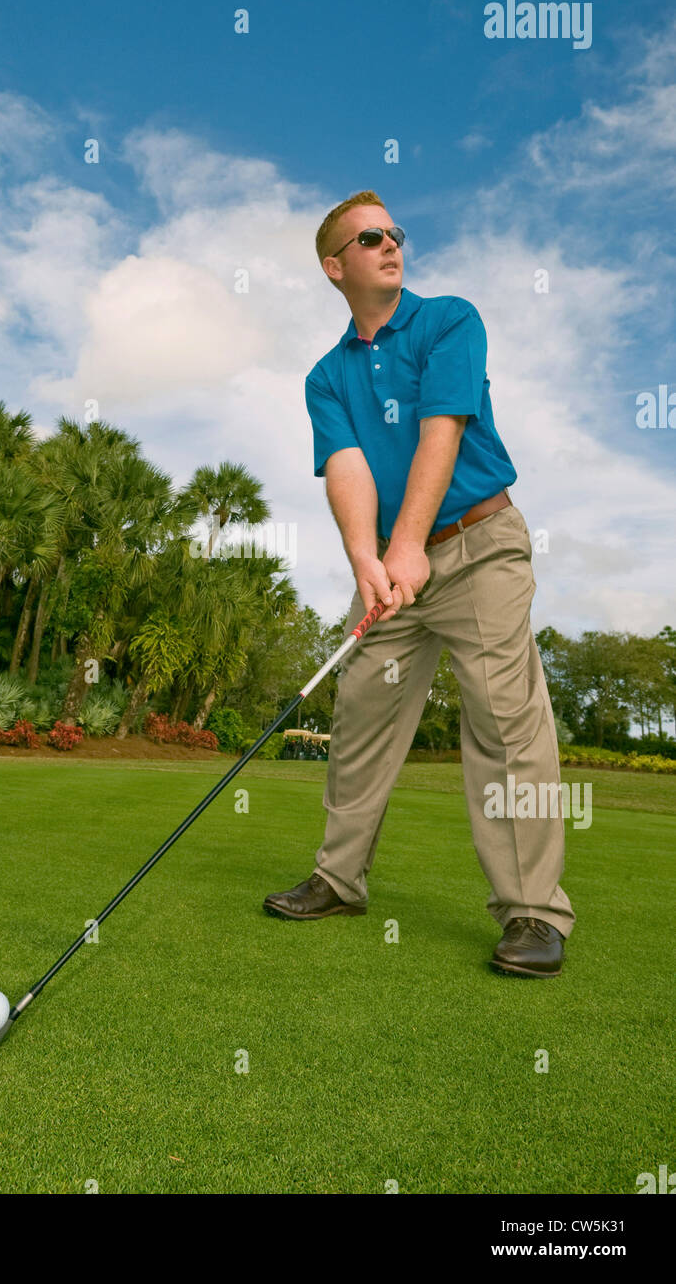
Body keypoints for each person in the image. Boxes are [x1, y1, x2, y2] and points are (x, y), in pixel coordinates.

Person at [263, 190, 575, 977]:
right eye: (370, 238)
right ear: (336, 267)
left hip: (478, 547)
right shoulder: (326, 377)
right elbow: (348, 468)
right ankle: (339, 880)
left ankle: (533, 912)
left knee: (506, 719)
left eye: (395, 233)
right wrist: (368, 562)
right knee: (361, 713)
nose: (390, 244)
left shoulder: (450, 322)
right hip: (397, 574)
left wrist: (408, 544)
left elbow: (442, 431)